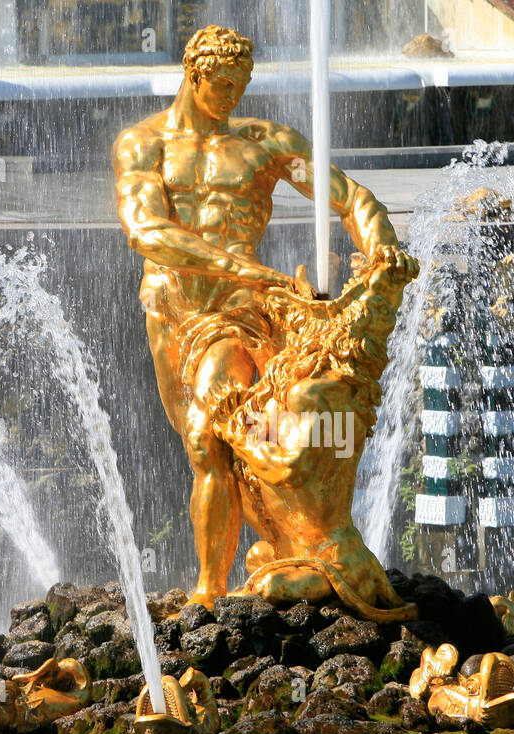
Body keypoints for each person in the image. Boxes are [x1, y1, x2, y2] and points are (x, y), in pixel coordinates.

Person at [113, 24, 406, 609]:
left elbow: (350, 197)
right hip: (172, 309)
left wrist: (382, 249)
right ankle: (288, 541)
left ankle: (209, 594)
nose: (231, 96)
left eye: (240, 85)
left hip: (240, 313)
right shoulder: (143, 145)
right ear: (192, 75)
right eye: (221, 84)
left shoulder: (264, 144)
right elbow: (146, 231)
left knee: (208, 437)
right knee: (225, 440)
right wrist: (244, 268)